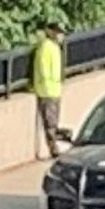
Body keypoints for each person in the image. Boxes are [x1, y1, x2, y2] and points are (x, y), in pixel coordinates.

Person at [31, 24, 66, 155]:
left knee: (53, 120)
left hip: (54, 89)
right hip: (47, 91)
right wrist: (45, 87)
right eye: (58, 32)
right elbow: (44, 69)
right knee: (50, 121)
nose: (60, 36)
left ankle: (55, 145)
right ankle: (53, 148)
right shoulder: (46, 47)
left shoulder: (54, 47)